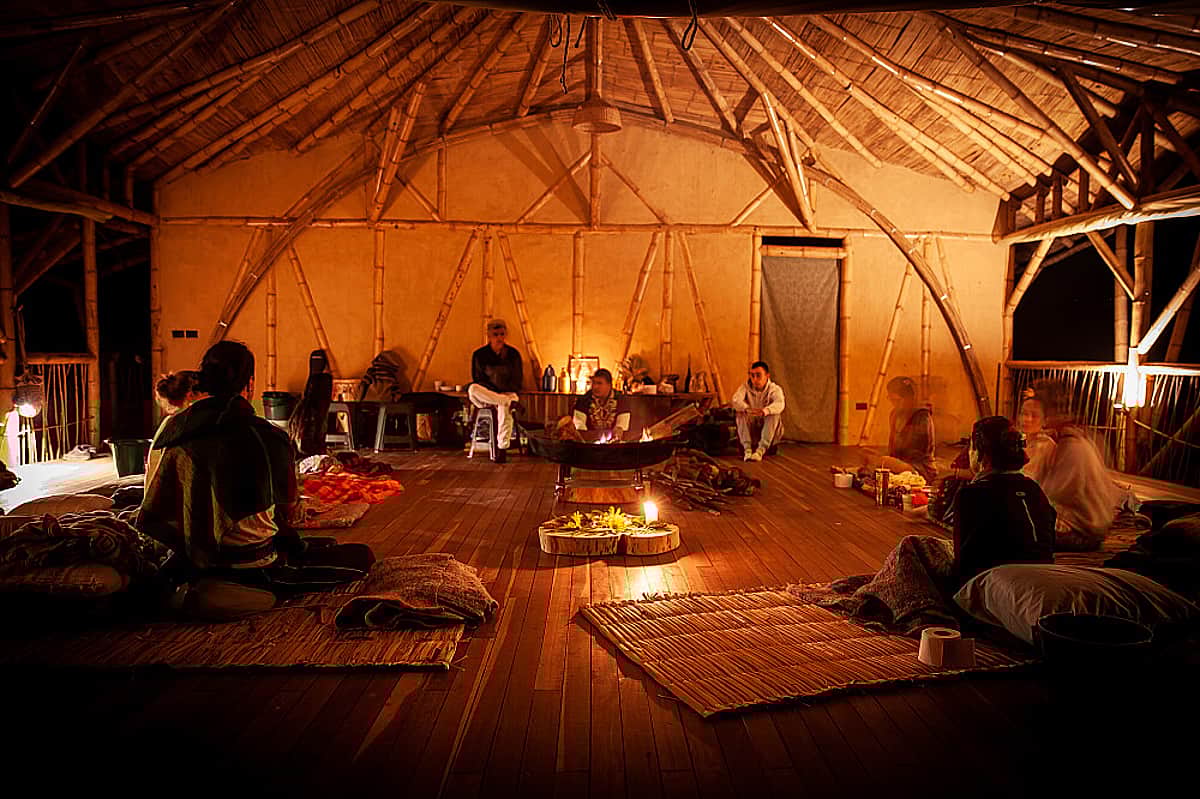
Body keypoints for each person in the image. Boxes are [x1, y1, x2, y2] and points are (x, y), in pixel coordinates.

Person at [138, 341, 373, 587]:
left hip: (180, 554)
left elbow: (156, 498)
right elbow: (287, 511)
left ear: (204, 381)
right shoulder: (267, 436)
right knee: (361, 555)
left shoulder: (171, 427)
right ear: (250, 384)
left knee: (316, 544)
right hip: (248, 563)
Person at [1017, 380, 1120, 551]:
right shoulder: (1065, 441)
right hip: (1079, 524)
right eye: (1024, 413)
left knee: (1014, 530)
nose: (1028, 419)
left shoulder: (1072, 447)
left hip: (1082, 533)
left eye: (1037, 414)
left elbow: (1051, 494)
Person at [953, 416, 1057, 581]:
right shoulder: (1034, 489)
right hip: (1043, 579)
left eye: (971, 447)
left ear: (981, 454)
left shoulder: (971, 495)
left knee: (914, 548)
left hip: (999, 587)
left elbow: (965, 563)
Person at [468, 318, 523, 463]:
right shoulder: (479, 355)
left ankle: (502, 449)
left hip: (507, 393)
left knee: (503, 408)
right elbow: (478, 378)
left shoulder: (513, 355)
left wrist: (503, 394)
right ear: (489, 336)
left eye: (501, 334)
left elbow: (517, 379)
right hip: (486, 397)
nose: (499, 338)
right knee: (472, 389)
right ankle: (508, 402)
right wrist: (494, 394)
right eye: (496, 334)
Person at [866, 376, 937, 482]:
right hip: (901, 464)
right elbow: (894, 449)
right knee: (871, 458)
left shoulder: (922, 417)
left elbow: (917, 451)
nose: (893, 403)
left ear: (910, 398)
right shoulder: (894, 414)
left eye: (897, 400)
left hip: (919, 468)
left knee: (883, 462)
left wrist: (888, 460)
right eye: (891, 400)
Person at [730, 361, 785, 461]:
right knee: (740, 412)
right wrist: (746, 409)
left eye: (758, 375)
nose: (755, 379)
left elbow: (780, 404)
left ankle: (760, 451)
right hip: (751, 432)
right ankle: (747, 450)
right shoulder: (745, 387)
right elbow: (735, 400)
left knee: (774, 414)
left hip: (770, 434)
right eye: (752, 375)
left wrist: (765, 411)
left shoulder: (774, 389)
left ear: (767, 375)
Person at [572, 368, 631, 440]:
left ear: (609, 385)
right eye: (593, 383)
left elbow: (621, 427)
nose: (595, 387)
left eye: (599, 383)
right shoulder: (583, 400)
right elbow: (580, 428)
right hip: (589, 443)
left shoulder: (622, 400)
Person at [289, 371, 333, 458]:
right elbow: (304, 447)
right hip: (303, 461)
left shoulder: (313, 408)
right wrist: (323, 454)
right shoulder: (310, 413)